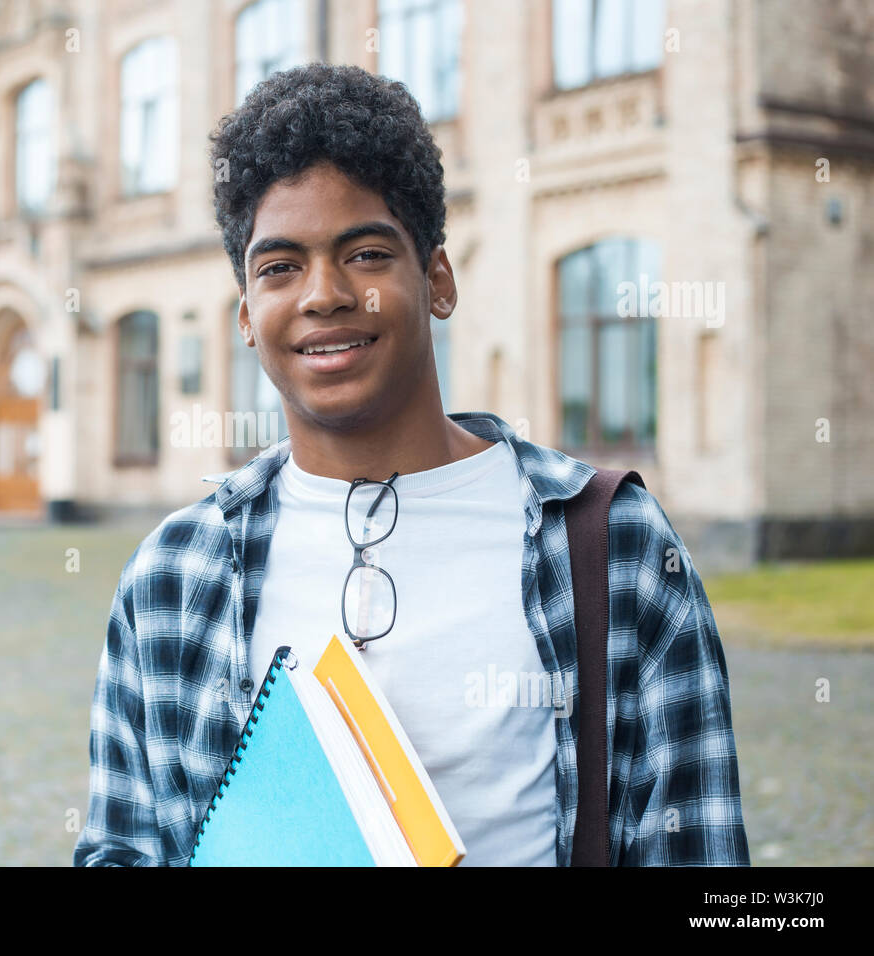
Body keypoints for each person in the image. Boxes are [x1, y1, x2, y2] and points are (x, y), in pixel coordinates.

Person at [74, 64, 749, 866]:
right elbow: (119, 849)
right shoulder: (170, 579)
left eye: (363, 253)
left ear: (436, 279)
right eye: (279, 267)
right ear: (248, 315)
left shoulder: (617, 551)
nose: (323, 295)